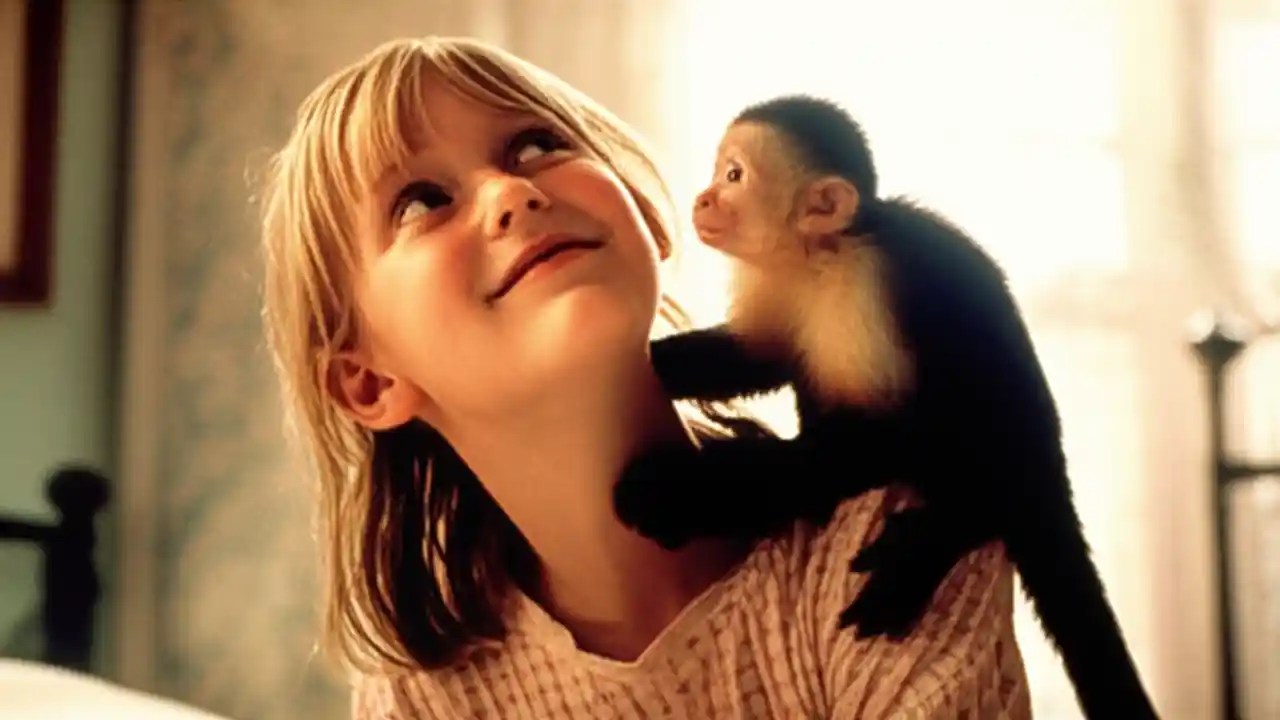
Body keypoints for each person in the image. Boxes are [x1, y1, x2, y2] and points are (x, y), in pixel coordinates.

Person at [258, 35, 1032, 719]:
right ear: (369, 383)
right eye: (420, 202)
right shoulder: (420, 694)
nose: (511, 191)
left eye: (534, 146)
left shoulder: (888, 547)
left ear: (645, 214)